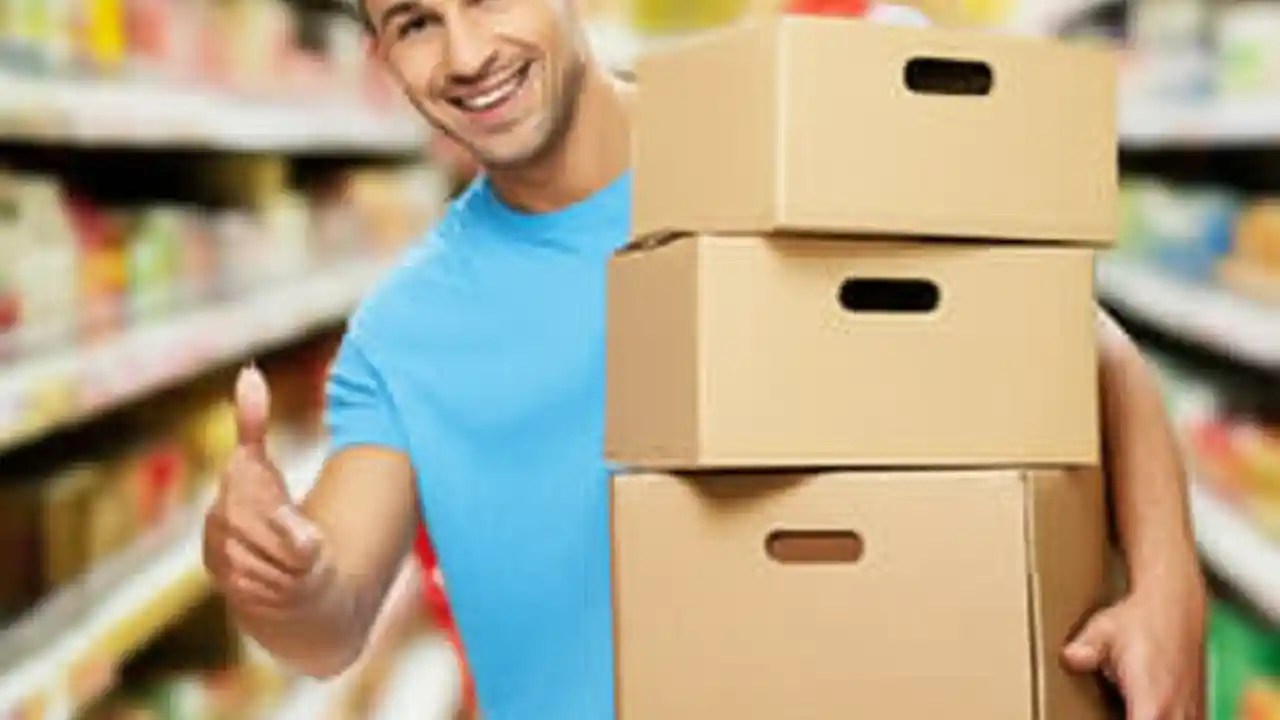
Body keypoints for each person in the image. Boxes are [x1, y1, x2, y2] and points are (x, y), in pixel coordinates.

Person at [201, 1, 1207, 718]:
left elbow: (1079, 338)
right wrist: (270, 572)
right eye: (416, 21)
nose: (466, 53)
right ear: (380, 53)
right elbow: (328, 623)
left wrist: (1168, 589)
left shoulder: (765, 144)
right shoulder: (407, 331)